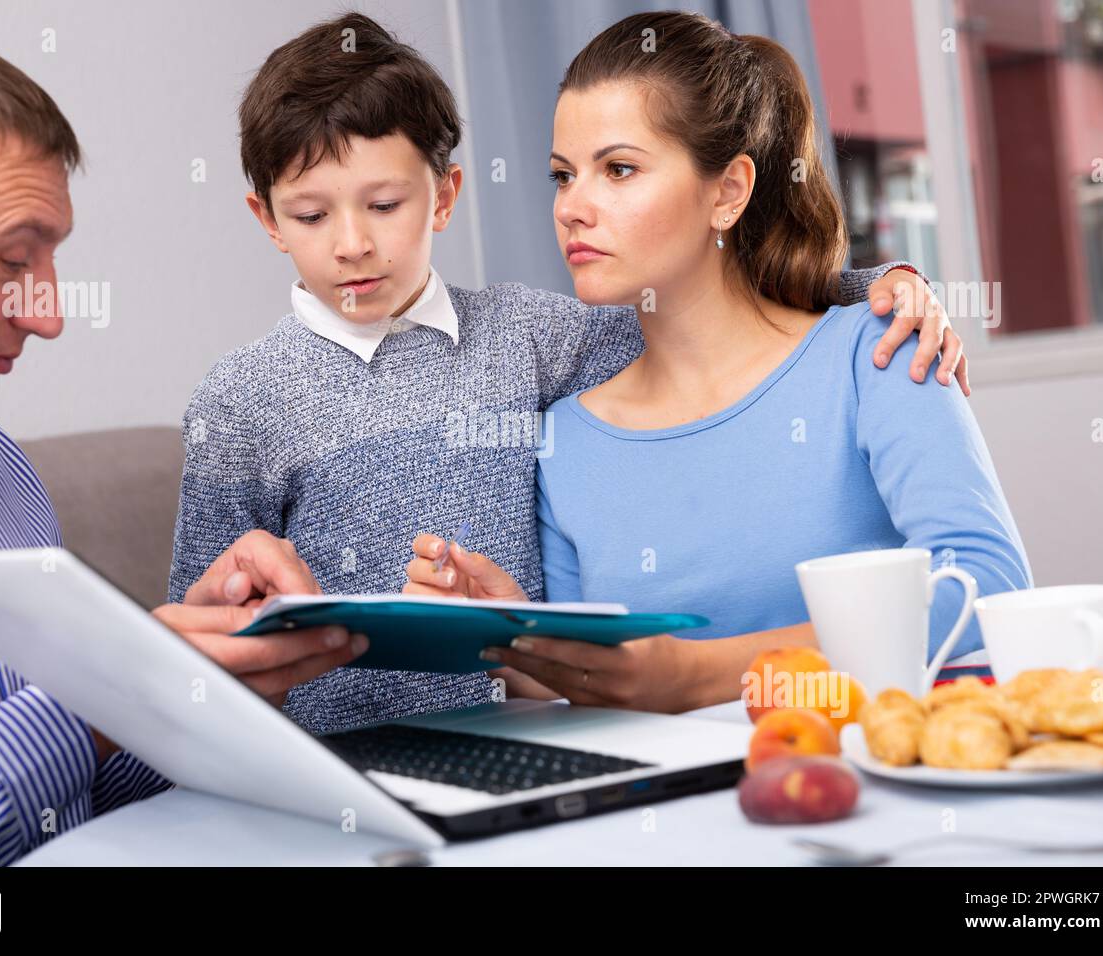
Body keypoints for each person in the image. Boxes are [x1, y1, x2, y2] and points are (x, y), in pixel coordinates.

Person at [171, 12, 965, 735]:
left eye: (384, 204)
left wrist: (881, 289)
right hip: (329, 751)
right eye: (311, 216)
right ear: (267, 219)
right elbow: (196, 635)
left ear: (445, 198)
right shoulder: (240, 401)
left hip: (523, 734)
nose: (351, 244)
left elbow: (709, 313)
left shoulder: (530, 336)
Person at [403, 11, 1031, 711]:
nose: (573, 207)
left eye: (618, 169)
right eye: (562, 175)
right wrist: (523, 644)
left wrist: (701, 673)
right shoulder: (566, 440)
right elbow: (600, 704)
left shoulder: (877, 354)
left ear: (728, 191)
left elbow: (987, 583)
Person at [0, 14, 365, 866]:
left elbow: (72, 803)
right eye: (14, 259)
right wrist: (100, 696)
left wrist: (187, 681)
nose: (49, 316)